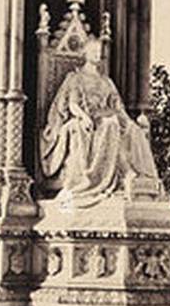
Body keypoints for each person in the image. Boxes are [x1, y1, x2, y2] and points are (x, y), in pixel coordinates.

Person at [40, 39, 160, 207]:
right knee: (109, 124)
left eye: (100, 51)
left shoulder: (106, 81)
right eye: (94, 51)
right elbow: (73, 105)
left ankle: (135, 179)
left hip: (108, 117)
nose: (98, 54)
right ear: (85, 53)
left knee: (132, 130)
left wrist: (130, 123)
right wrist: (83, 116)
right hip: (88, 120)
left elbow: (118, 107)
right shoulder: (75, 78)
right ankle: (116, 175)